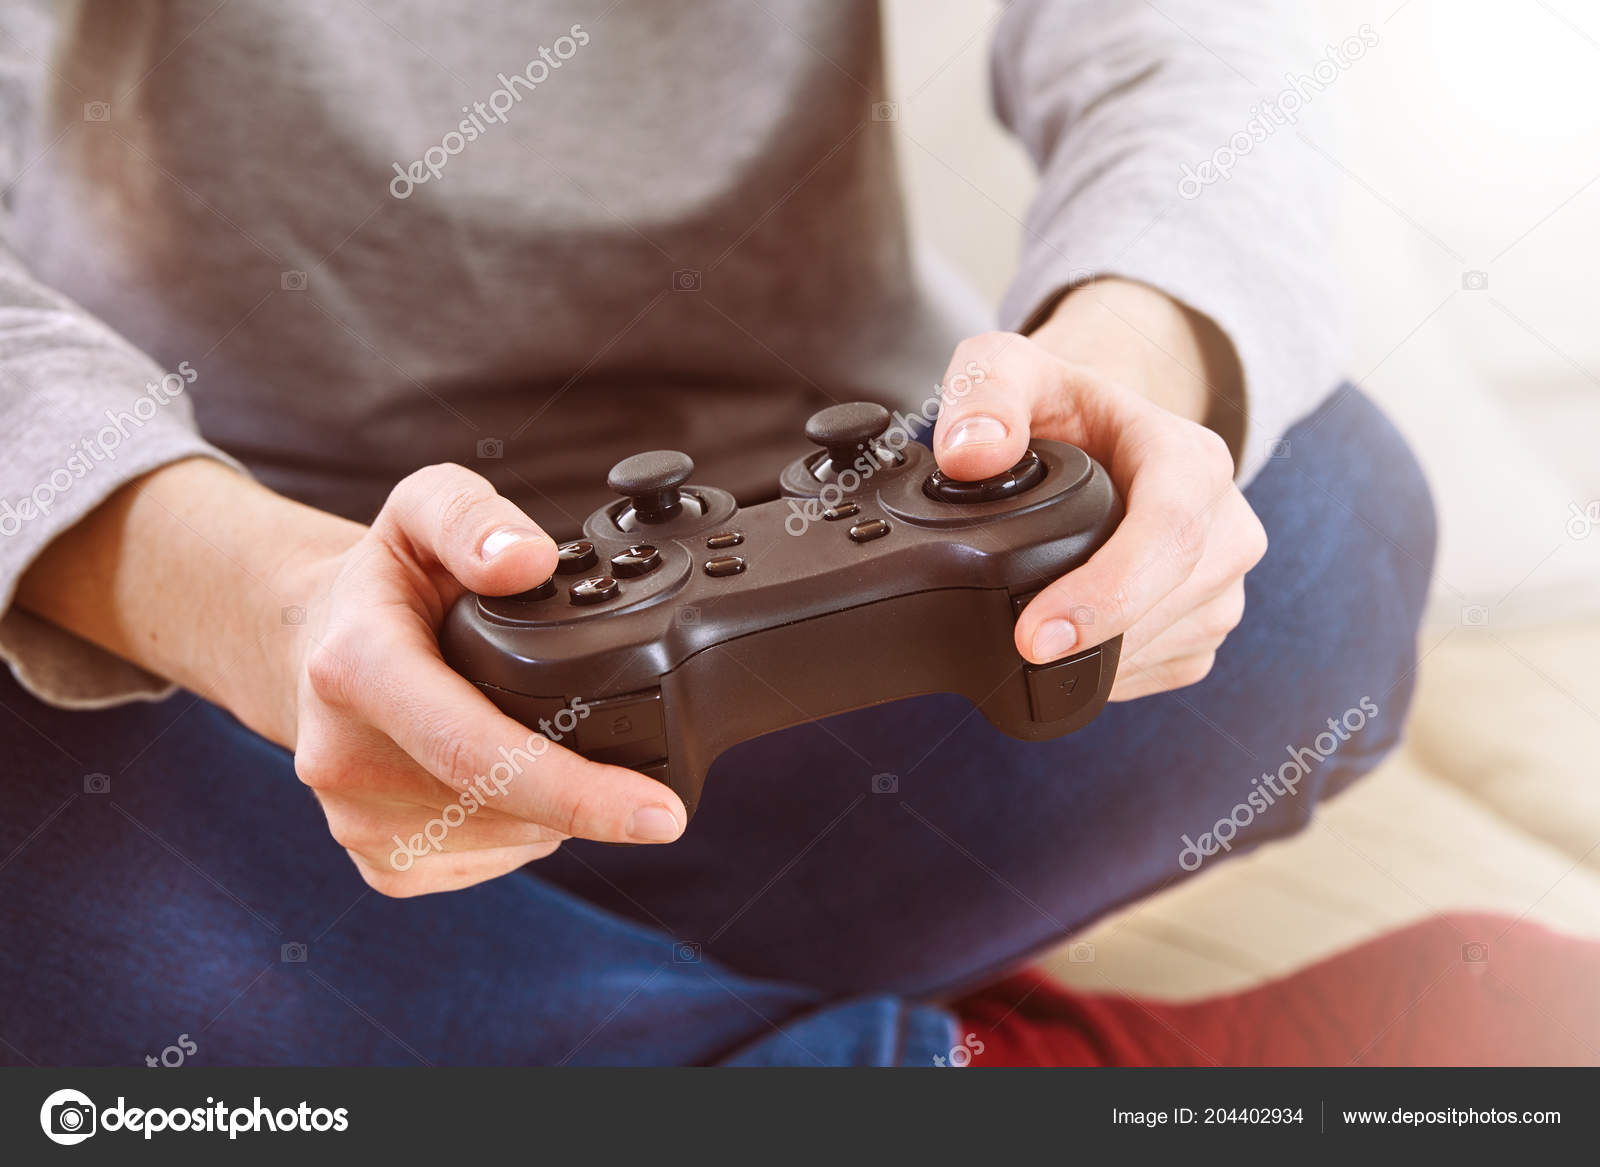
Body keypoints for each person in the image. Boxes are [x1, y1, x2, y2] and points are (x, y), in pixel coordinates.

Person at [0, 1, 1433, 1065]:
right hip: (223, 629)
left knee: (1323, 529)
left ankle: (507, 1013)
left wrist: (1128, 368)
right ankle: (942, 1067)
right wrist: (262, 603)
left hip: (835, 564)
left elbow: (1182, 43)